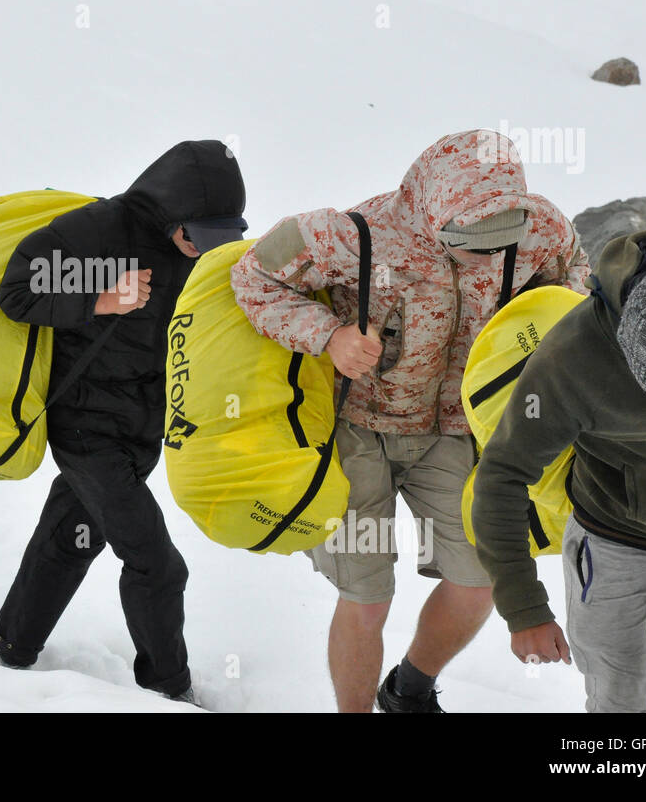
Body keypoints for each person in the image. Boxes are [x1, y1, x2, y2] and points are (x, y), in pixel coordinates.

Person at [230, 129, 590, 712]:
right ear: (435, 214)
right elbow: (252, 279)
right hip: (357, 428)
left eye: (500, 240)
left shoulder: (543, 231)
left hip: (453, 432)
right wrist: (330, 336)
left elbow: (569, 292)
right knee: (368, 597)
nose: (487, 254)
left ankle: (409, 690)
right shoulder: (350, 235)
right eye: (469, 241)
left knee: (478, 580)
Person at [0, 139, 247, 703]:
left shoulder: (200, 250)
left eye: (217, 240)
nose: (200, 252)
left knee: (70, 537)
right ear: (169, 213)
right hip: (86, 426)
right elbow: (17, 291)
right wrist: (99, 298)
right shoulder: (100, 231)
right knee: (158, 563)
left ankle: (13, 648)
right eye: (195, 237)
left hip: (146, 429)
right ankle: (168, 687)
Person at [472, 229, 646, 712]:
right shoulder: (571, 357)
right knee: (619, 700)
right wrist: (522, 607)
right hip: (618, 545)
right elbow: (502, 476)